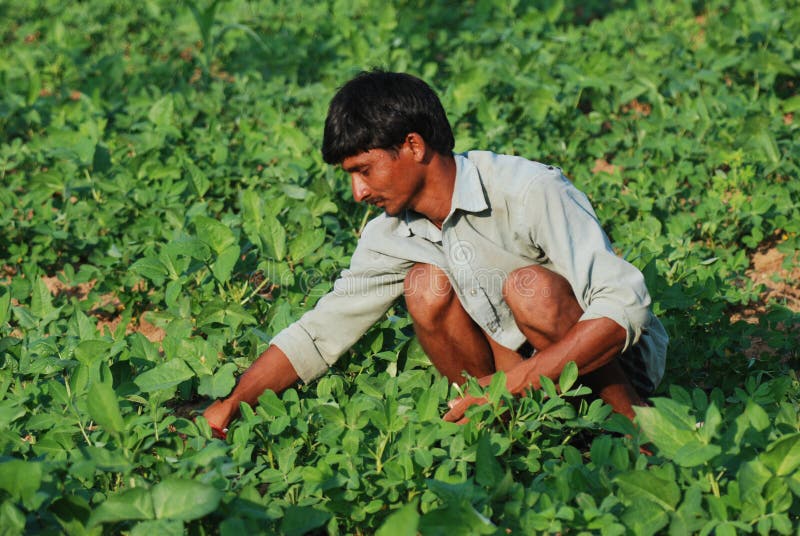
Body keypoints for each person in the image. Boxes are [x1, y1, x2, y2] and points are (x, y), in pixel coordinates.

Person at [202, 70, 668, 436]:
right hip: (511, 381)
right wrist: (234, 402)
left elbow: (623, 304)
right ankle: (502, 430)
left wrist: (511, 386)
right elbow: (322, 330)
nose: (357, 192)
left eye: (363, 170)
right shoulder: (390, 232)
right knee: (424, 286)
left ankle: (637, 432)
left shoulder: (528, 189)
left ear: (412, 145)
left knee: (530, 289)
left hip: (614, 367)